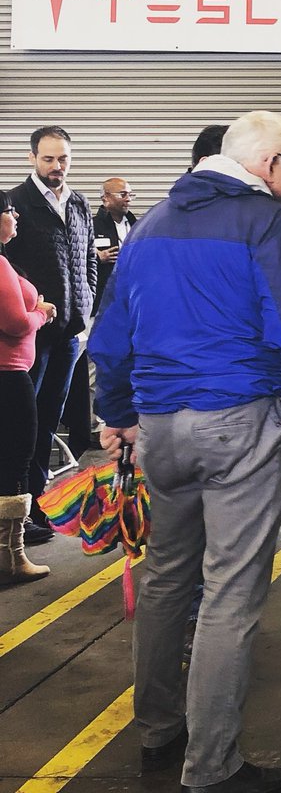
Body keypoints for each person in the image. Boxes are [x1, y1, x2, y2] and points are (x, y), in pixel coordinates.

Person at [91, 111, 281, 793]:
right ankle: (212, 768)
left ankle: (158, 732)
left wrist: (119, 415)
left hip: (161, 427)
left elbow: (109, 339)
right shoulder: (265, 222)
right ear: (266, 164)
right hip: (237, 418)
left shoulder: (149, 227)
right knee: (231, 591)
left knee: (167, 577)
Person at [6, 127, 96, 543]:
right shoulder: (14, 203)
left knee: (46, 424)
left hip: (68, 336)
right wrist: (33, 307)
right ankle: (15, 512)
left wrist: (87, 301)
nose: (56, 167)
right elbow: (7, 264)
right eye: (48, 159)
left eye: (63, 159)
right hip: (30, 337)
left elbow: (87, 258)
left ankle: (37, 506)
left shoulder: (78, 203)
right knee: (22, 427)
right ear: (31, 159)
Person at [0, 191, 57, 584]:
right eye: (8, 210)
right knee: (15, 463)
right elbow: (16, 324)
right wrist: (41, 312)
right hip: (9, 376)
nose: (15, 215)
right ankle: (12, 557)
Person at [92, 177, 137, 307]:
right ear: (105, 198)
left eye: (130, 195)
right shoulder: (90, 226)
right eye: (122, 194)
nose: (128, 199)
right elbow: (76, 256)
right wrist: (97, 256)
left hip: (132, 300)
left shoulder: (137, 226)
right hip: (101, 302)